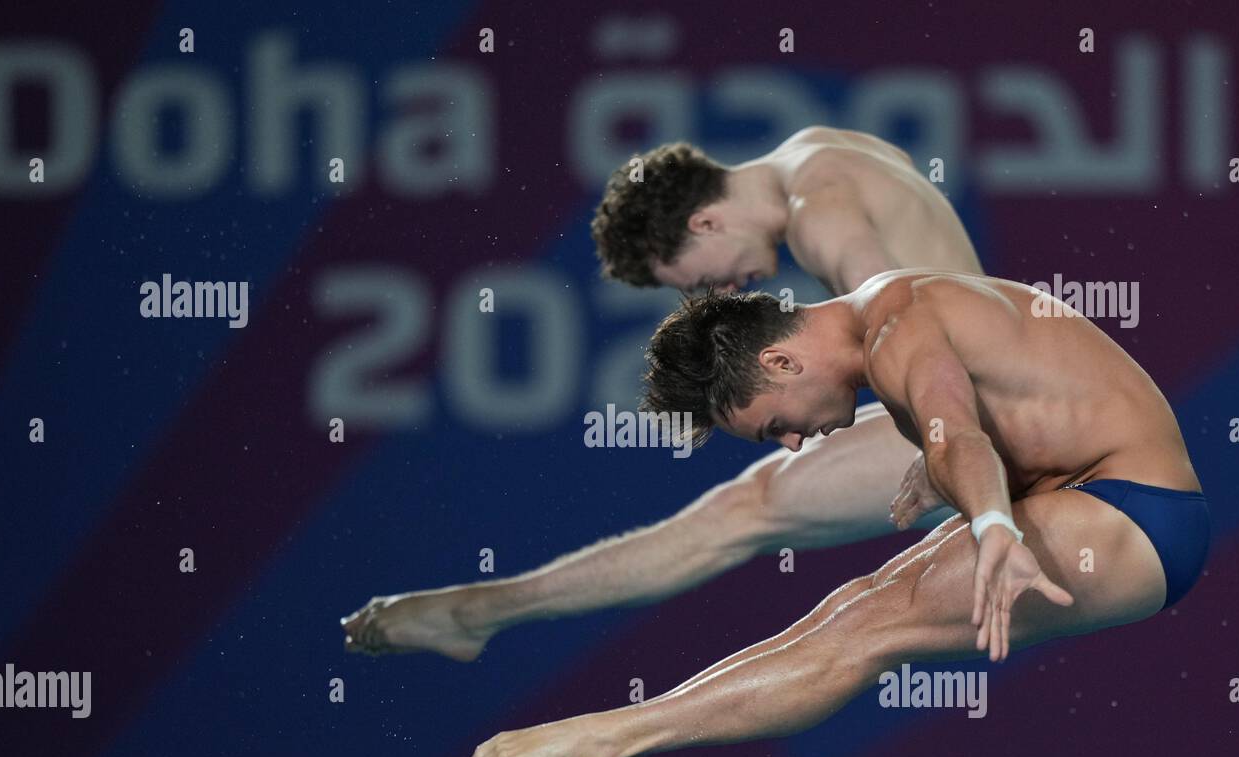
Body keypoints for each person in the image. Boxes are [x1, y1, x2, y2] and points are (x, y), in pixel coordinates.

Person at [460, 271, 1209, 757]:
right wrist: (945, 464)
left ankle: (608, 741)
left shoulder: (894, 327)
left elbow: (960, 440)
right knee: (850, 607)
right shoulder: (884, 311)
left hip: (1136, 514)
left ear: (780, 360)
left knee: (866, 630)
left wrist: (990, 522)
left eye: (774, 425)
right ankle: (619, 740)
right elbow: (998, 416)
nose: (791, 445)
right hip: (1098, 497)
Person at [343, 128, 980, 658]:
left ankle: (479, 611)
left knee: (741, 514)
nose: (725, 294)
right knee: (747, 507)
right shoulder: (822, 149)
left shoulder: (820, 215)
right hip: (983, 392)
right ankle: (481, 611)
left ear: (704, 220)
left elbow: (911, 330)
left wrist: (942, 448)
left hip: (975, 409)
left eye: (705, 279)